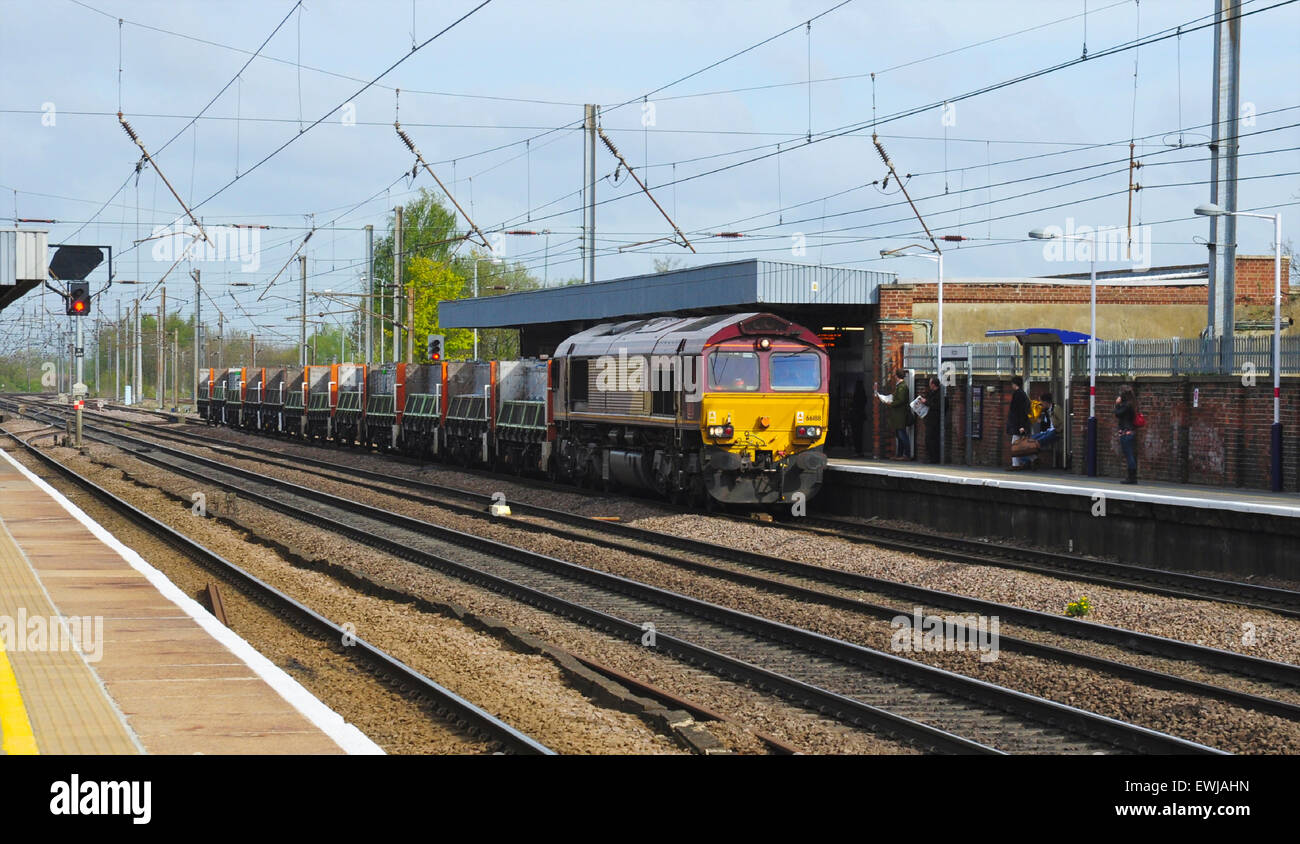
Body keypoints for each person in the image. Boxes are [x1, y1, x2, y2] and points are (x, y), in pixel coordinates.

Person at [876, 369, 911, 460]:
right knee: (899, 435)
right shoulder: (899, 386)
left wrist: (890, 403)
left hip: (900, 414)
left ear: (897, 376)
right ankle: (899, 455)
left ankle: (907, 454)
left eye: (895, 375)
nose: (894, 377)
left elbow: (901, 400)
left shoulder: (902, 387)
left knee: (902, 435)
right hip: (897, 415)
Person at [1030, 391, 1063, 465]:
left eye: (1041, 402)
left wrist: (1058, 430)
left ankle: (1034, 458)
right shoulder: (1045, 411)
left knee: (1037, 442)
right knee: (1030, 440)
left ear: (1045, 402)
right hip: (1047, 431)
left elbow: (1063, 421)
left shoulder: (1056, 408)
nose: (1040, 404)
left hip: (1055, 432)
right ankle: (1033, 458)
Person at [1115, 386, 1139, 484]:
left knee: (1129, 455)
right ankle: (1132, 477)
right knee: (1130, 454)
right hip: (1129, 431)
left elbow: (1117, 413)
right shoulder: (1132, 404)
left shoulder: (1127, 405)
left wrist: (1117, 404)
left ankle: (1132, 478)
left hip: (1126, 432)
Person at [1006, 375, 1031, 469]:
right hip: (1020, 424)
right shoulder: (1022, 394)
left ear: (1014, 384)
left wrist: (1021, 426)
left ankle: (1016, 464)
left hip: (1019, 425)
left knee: (1015, 444)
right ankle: (1032, 459)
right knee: (1022, 444)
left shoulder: (1018, 394)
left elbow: (1020, 411)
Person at [919, 377, 942, 464]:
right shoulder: (931, 393)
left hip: (934, 420)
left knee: (932, 439)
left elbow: (936, 406)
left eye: (930, 383)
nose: (929, 385)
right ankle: (930, 457)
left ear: (933, 384)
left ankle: (934, 458)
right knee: (928, 439)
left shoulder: (939, 394)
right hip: (929, 418)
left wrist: (926, 402)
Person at [849, 380, 868, 457]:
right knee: (860, 434)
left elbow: (854, 405)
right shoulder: (863, 394)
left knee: (856, 435)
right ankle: (860, 451)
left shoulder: (856, 395)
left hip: (855, 417)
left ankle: (858, 450)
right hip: (861, 416)